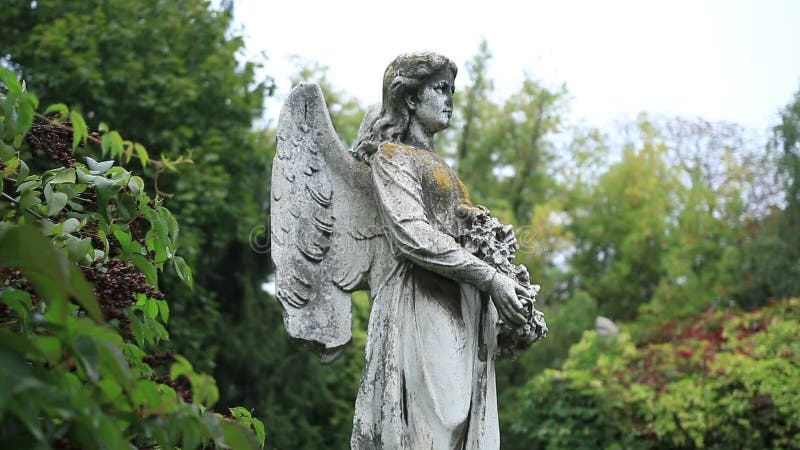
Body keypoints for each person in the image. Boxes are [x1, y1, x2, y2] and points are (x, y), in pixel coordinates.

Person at [350, 51, 532, 450]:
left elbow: (468, 232)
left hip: (460, 300)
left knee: (460, 424)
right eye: (440, 89)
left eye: (452, 90)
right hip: (421, 298)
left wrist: (503, 279)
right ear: (411, 98)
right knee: (437, 424)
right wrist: (490, 277)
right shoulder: (393, 157)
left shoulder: (441, 166)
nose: (449, 98)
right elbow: (411, 234)